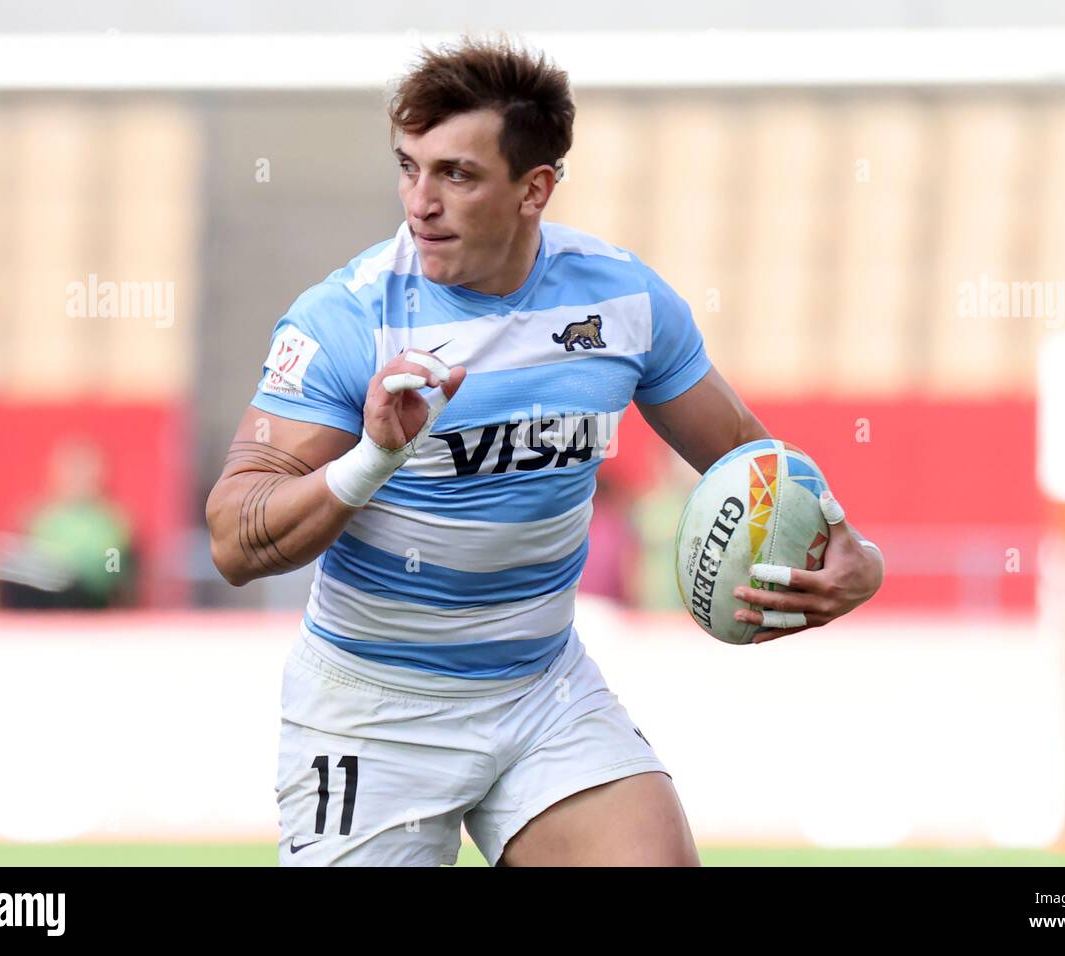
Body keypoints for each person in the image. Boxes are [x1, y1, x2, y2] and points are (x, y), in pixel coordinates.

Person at [205, 35, 884, 867]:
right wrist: (370, 458)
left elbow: (745, 453)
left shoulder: (623, 301)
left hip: (542, 692)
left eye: (456, 174)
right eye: (409, 167)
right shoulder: (346, 321)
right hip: (372, 709)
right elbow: (234, 539)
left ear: (536, 188)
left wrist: (853, 553)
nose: (420, 202)